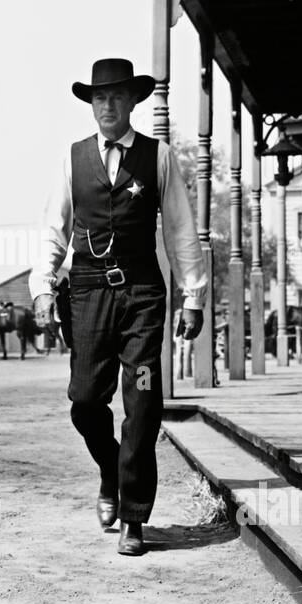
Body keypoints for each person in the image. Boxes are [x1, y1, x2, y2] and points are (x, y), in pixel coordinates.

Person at [30, 58, 207, 557]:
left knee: (143, 403)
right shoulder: (73, 158)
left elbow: (178, 228)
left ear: (133, 102)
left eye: (117, 97)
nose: (108, 106)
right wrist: (44, 287)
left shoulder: (159, 157)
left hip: (142, 295)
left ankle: (134, 516)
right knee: (86, 401)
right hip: (87, 293)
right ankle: (110, 468)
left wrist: (192, 296)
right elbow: (54, 228)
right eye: (99, 98)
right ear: (91, 104)